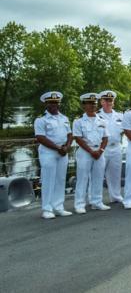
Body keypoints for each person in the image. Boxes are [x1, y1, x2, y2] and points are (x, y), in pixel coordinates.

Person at [34, 91, 73, 219]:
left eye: (56, 103)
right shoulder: (41, 119)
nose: (54, 105)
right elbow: (40, 137)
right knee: (48, 180)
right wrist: (58, 147)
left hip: (63, 151)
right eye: (51, 103)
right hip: (48, 152)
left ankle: (59, 207)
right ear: (46, 104)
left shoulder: (64, 118)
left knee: (60, 180)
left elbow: (70, 135)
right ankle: (47, 209)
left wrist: (67, 147)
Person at [72, 93, 110, 213]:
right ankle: (79, 204)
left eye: (94, 103)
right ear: (84, 105)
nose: (92, 106)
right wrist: (90, 151)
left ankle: (97, 202)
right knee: (82, 179)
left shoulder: (102, 120)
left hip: (99, 152)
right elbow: (78, 138)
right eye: (89, 103)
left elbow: (105, 137)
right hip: (85, 152)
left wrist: (101, 150)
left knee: (98, 178)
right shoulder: (78, 121)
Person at [97, 90, 125, 204]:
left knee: (115, 173)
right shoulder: (96, 116)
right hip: (101, 148)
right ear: (101, 102)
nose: (109, 102)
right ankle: (95, 198)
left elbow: (124, 130)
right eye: (106, 100)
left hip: (116, 147)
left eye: (111, 100)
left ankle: (116, 196)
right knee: (97, 174)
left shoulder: (120, 116)